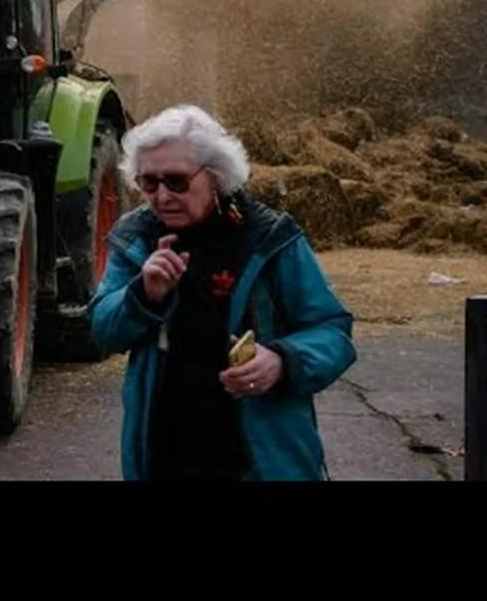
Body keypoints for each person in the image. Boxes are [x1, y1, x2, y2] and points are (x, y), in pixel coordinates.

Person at [89, 104, 356, 481]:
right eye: (149, 183)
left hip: (261, 460)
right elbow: (102, 331)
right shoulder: (136, 238)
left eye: (177, 181)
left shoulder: (269, 238)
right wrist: (143, 294)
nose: (162, 196)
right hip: (166, 456)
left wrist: (282, 360)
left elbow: (332, 330)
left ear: (215, 175)